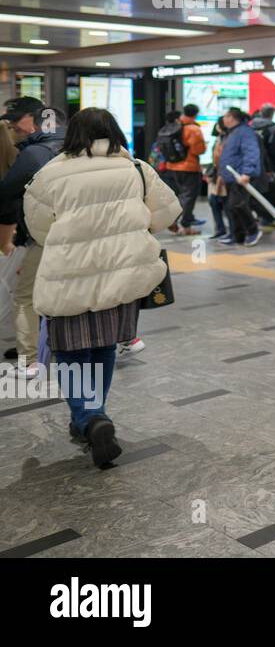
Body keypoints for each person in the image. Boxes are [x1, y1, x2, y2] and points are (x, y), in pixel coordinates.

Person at [23, 107, 180, 468]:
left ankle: (90, 418)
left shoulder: (49, 175)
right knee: (104, 344)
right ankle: (94, 417)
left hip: (70, 276)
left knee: (70, 352)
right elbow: (166, 213)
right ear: (115, 131)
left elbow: (39, 228)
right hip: (121, 277)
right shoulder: (136, 169)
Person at [0, 98, 65, 377]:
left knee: (26, 297)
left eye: (16, 118)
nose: (12, 124)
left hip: (45, 237)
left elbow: (6, 193)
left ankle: (29, 362)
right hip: (79, 237)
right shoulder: (73, 145)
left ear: (36, 117)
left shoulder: (35, 153)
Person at [216, 107, 263, 247]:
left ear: (232, 118)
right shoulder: (233, 132)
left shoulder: (244, 132)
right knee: (231, 207)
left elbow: (251, 152)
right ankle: (238, 236)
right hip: (232, 177)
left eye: (225, 116)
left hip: (240, 176)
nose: (223, 119)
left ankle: (253, 231)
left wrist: (247, 173)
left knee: (237, 204)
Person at [158, 103, 206, 235]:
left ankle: (175, 219)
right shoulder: (193, 129)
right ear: (196, 114)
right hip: (189, 167)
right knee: (188, 197)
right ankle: (185, 225)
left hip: (172, 166)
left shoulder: (173, 125)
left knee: (180, 196)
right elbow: (199, 150)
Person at [206, 121, 230, 240]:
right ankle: (220, 229)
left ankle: (229, 230)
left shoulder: (226, 139)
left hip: (224, 175)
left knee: (224, 203)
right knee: (215, 201)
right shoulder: (219, 139)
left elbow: (222, 159)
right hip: (217, 174)